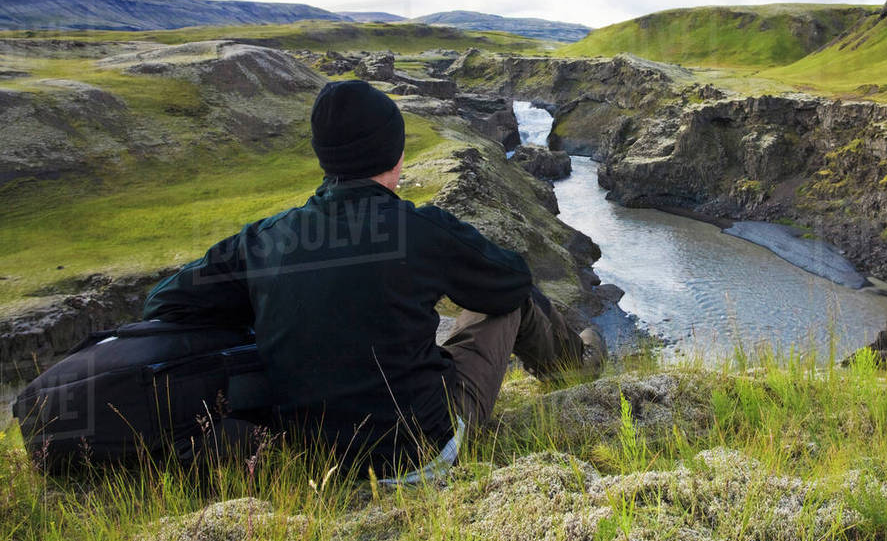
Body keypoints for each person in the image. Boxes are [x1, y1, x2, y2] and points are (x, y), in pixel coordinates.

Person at [142, 79, 604, 478]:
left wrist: (278, 309)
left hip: (314, 460)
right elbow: (511, 281)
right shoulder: (418, 229)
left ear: (326, 158)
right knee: (509, 298)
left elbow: (164, 302)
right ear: (395, 154)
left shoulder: (263, 240)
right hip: (422, 454)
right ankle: (576, 367)